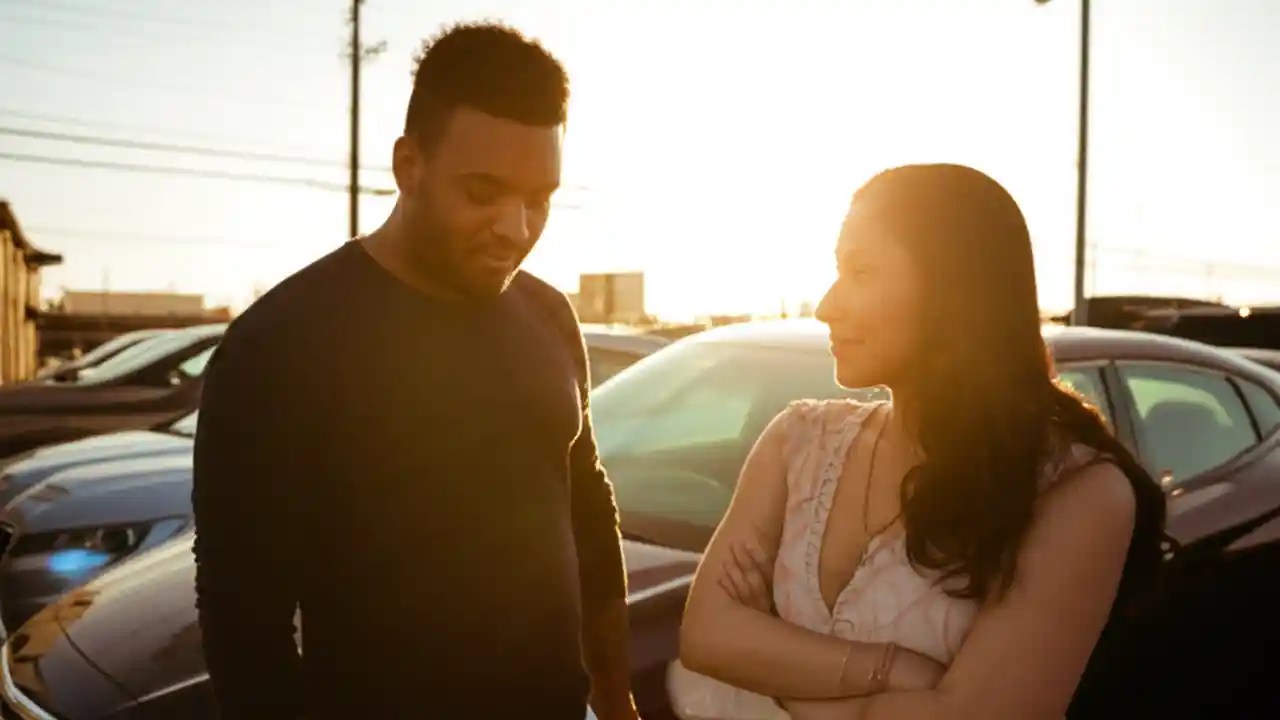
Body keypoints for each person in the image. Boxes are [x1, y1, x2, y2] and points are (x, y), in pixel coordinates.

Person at [193, 22, 637, 720]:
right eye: (483, 193)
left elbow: (585, 506)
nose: (516, 229)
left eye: (538, 199)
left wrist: (615, 698)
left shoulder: (548, 315)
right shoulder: (281, 345)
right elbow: (244, 624)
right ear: (409, 166)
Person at [679, 164, 1167, 719]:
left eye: (862, 272)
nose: (826, 306)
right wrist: (894, 670)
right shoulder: (797, 443)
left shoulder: (1078, 495)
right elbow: (705, 637)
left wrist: (768, 663)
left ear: (953, 289)